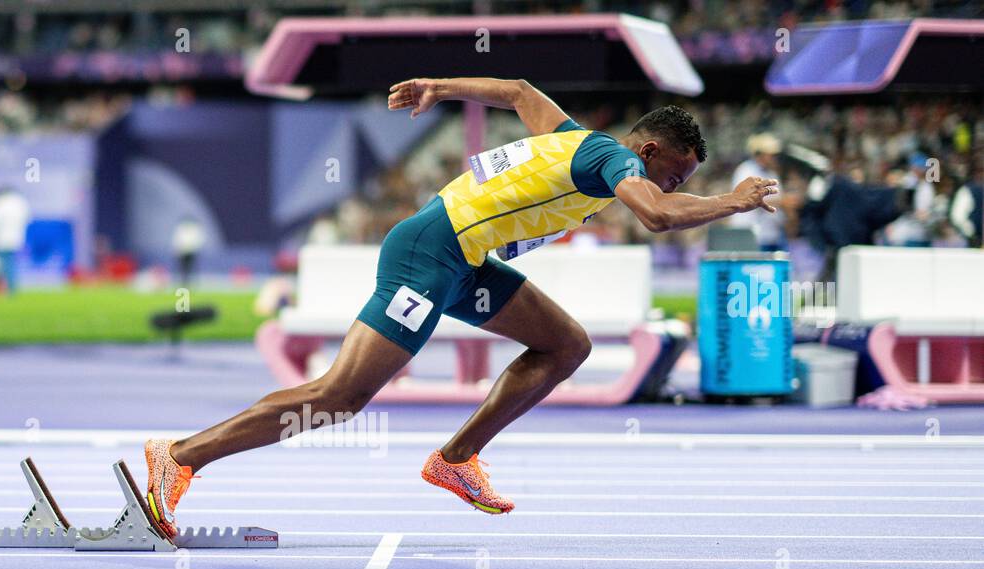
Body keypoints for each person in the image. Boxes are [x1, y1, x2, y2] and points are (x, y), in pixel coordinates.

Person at [142, 77, 777, 536]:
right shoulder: (611, 158)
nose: (677, 188)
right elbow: (659, 216)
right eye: (677, 174)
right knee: (341, 396)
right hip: (430, 252)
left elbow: (522, 92)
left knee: (566, 345)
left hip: (465, 260)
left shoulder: (574, 140)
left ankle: (455, 461)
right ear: (649, 153)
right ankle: (180, 457)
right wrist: (735, 200)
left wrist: (440, 86)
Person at [732, 133, 787, 251]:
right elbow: (747, 198)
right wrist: (783, 201)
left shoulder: (772, 174)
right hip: (750, 233)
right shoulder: (746, 171)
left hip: (771, 234)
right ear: (760, 155)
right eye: (771, 155)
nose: (774, 158)